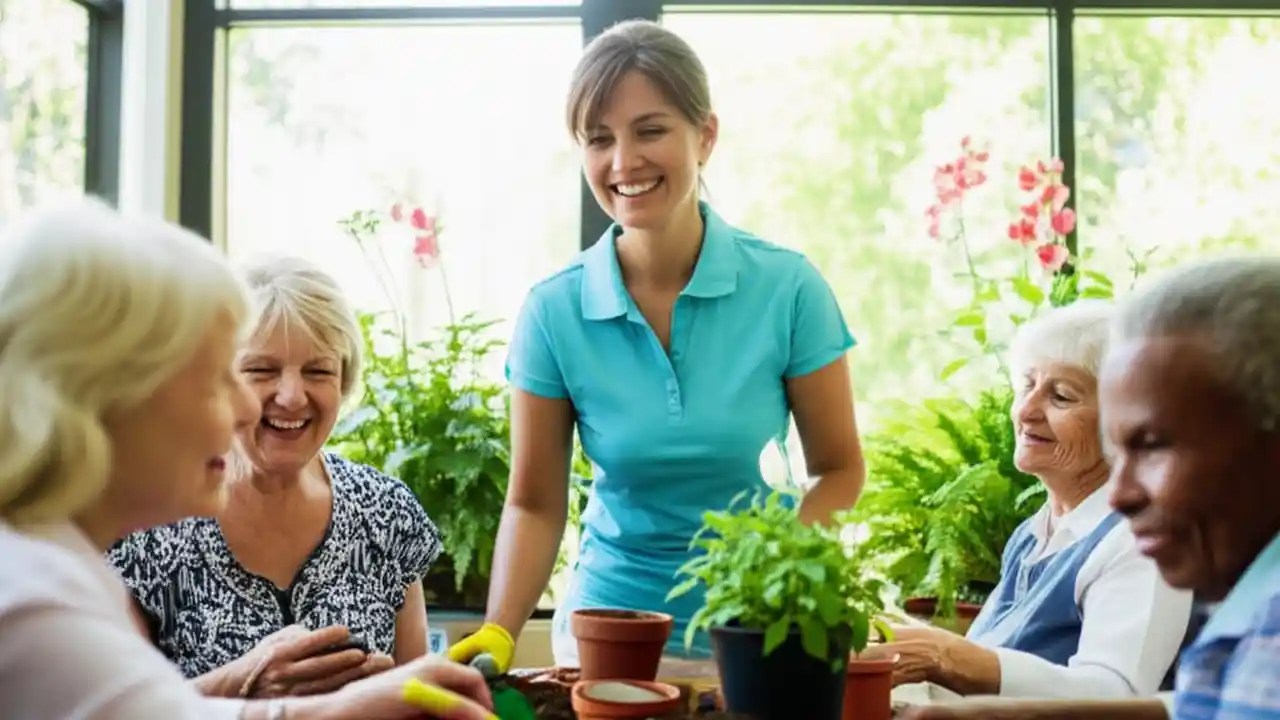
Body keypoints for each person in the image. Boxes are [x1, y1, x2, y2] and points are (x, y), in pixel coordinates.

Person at [449, 19, 865, 669]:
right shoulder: (554, 310)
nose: (623, 162)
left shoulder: (788, 289)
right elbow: (533, 503)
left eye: (650, 130)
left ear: (705, 136)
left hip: (757, 636)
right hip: (606, 635)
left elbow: (839, 469)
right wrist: (500, 631)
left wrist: (777, 582)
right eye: (599, 139)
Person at [0, 199, 494, 719]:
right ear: (109, 399)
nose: (242, 407)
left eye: (318, 371)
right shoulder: (32, 602)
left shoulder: (53, 566)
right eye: (216, 378)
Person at [899, 256, 1280, 720]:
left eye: (1153, 446)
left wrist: (948, 659)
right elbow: (1196, 709)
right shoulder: (1248, 620)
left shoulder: (1148, 551)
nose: (1119, 497)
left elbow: (1119, 690)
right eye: (1027, 386)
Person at [106, 255, 442, 697]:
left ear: (343, 382)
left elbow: (419, 699)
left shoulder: (385, 511)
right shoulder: (147, 523)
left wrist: (393, 695)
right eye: (261, 370)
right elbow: (112, 709)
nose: (291, 395)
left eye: (318, 371)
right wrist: (241, 682)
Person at [875, 301, 1194, 698]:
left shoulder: (1142, 543)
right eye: (1027, 385)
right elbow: (976, 665)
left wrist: (942, 653)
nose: (1026, 410)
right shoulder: (1035, 534)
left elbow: (1114, 695)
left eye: (1060, 396)